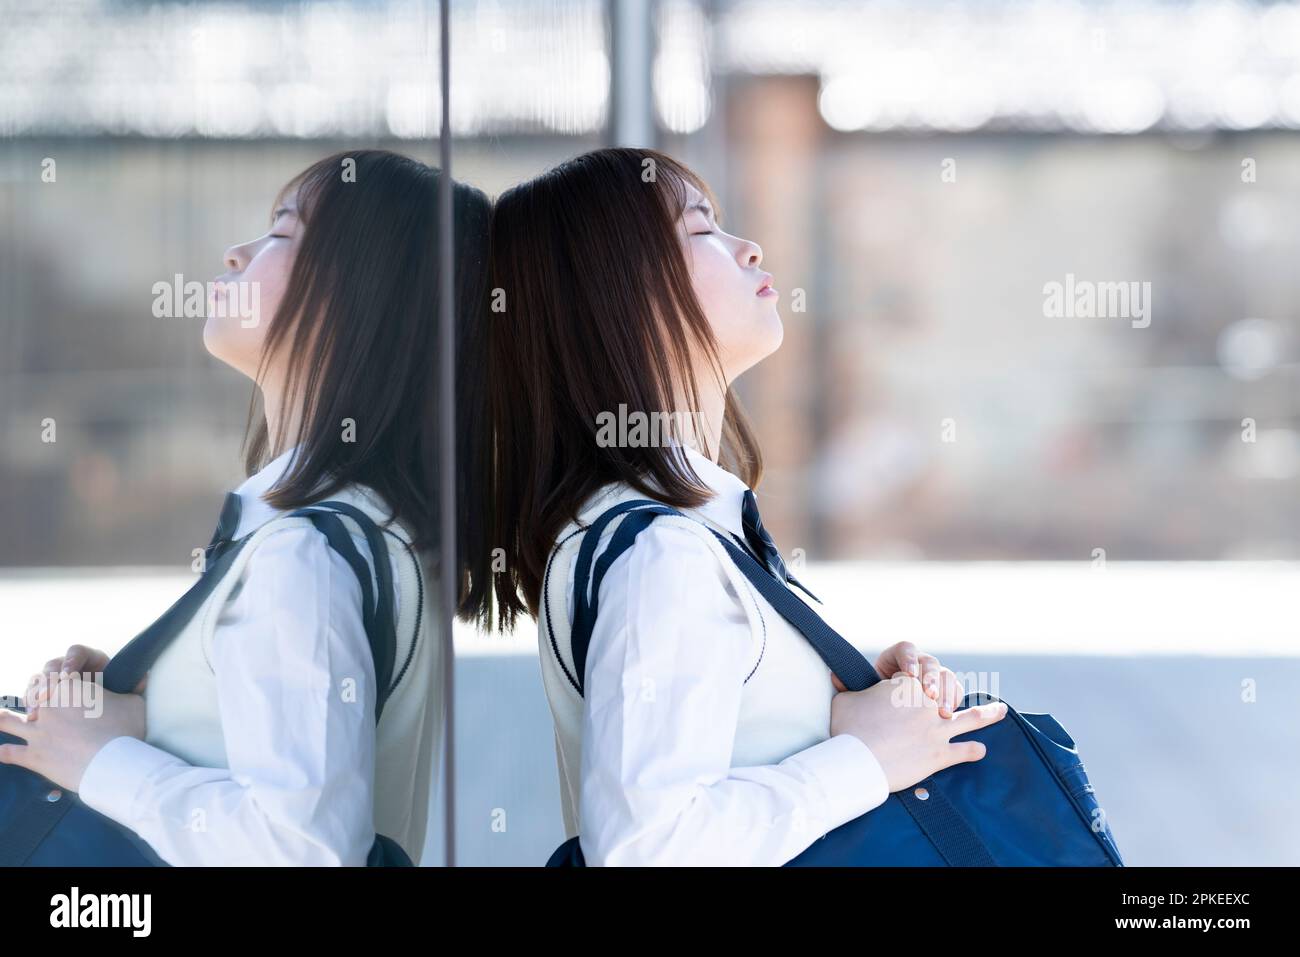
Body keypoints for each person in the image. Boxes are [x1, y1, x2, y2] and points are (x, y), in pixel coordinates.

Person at [459, 147, 1008, 866]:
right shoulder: (662, 551)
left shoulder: (668, 531)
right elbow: (647, 846)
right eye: (701, 230)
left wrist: (830, 705)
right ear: (619, 294)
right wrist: (864, 758)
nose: (748, 247)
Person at [1, 149, 490, 866]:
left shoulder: (305, 552)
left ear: (362, 295)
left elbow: (300, 847)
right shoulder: (365, 530)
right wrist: (160, 705)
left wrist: (100, 759)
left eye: (282, 235)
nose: (237, 254)